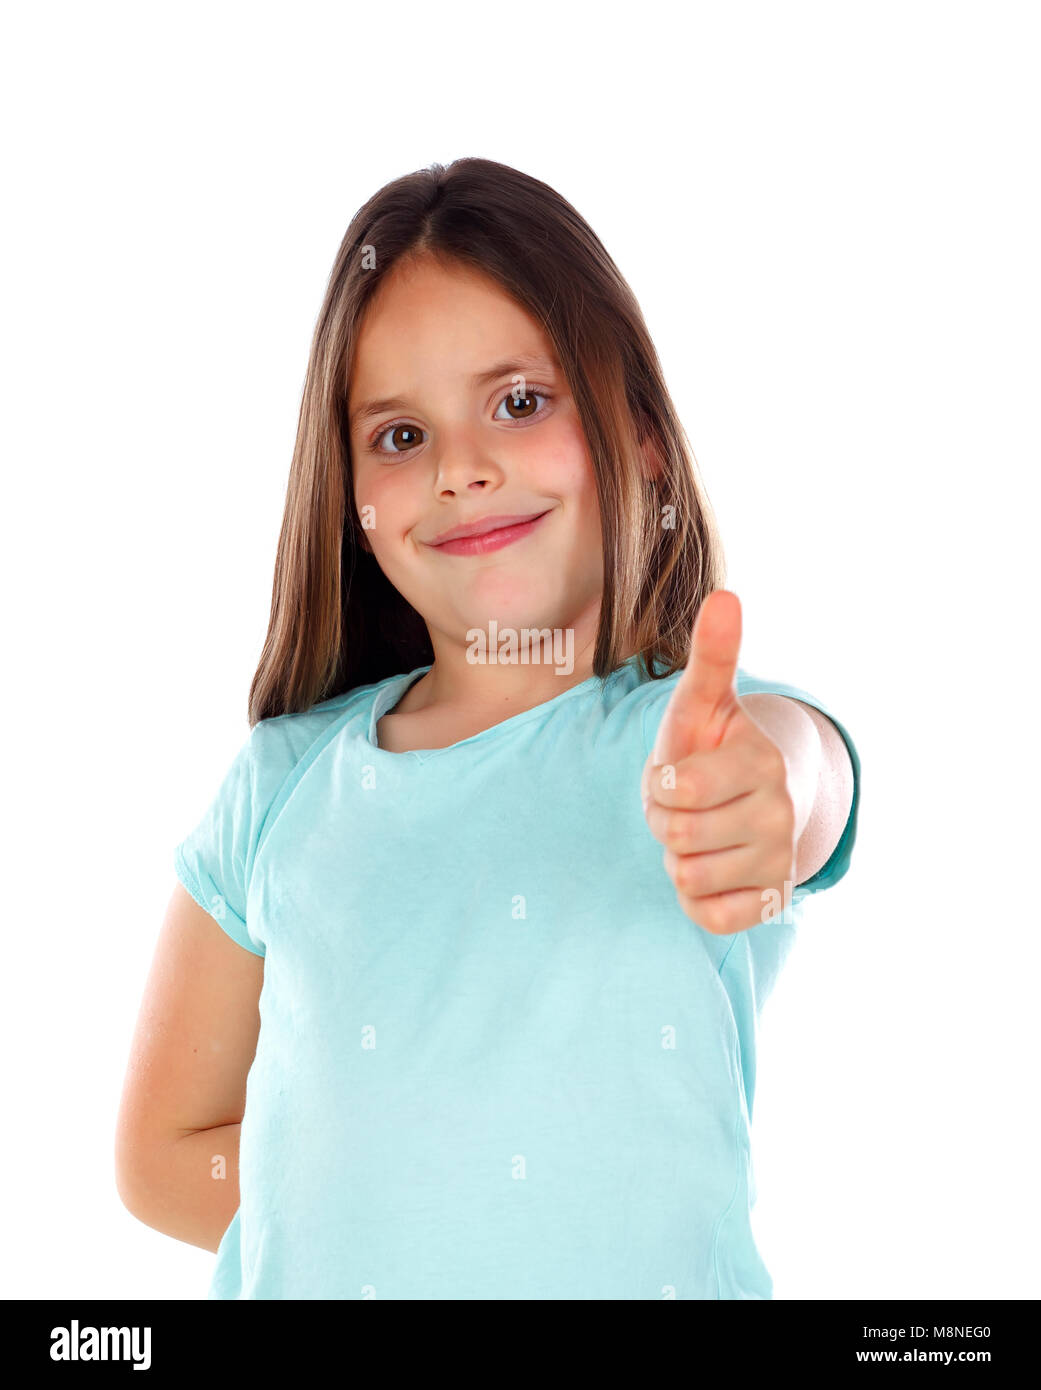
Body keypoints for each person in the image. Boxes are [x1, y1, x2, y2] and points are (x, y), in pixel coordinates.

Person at [114, 157, 859, 1300]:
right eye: (400, 436)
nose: (461, 468)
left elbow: (806, 778)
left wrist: (779, 789)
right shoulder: (282, 784)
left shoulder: (699, 745)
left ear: (645, 436)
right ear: (353, 502)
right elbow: (164, 1154)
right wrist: (388, 1222)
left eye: (519, 402)